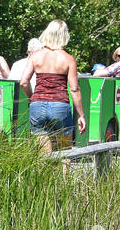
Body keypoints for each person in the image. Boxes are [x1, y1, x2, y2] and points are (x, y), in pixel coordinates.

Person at [23, 20, 86, 152]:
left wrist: (32, 98)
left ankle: (44, 173)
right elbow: (74, 89)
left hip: (37, 106)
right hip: (60, 106)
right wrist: (81, 115)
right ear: (64, 36)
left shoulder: (35, 56)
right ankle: (63, 173)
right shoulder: (68, 59)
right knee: (65, 152)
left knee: (43, 155)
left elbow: (23, 82)